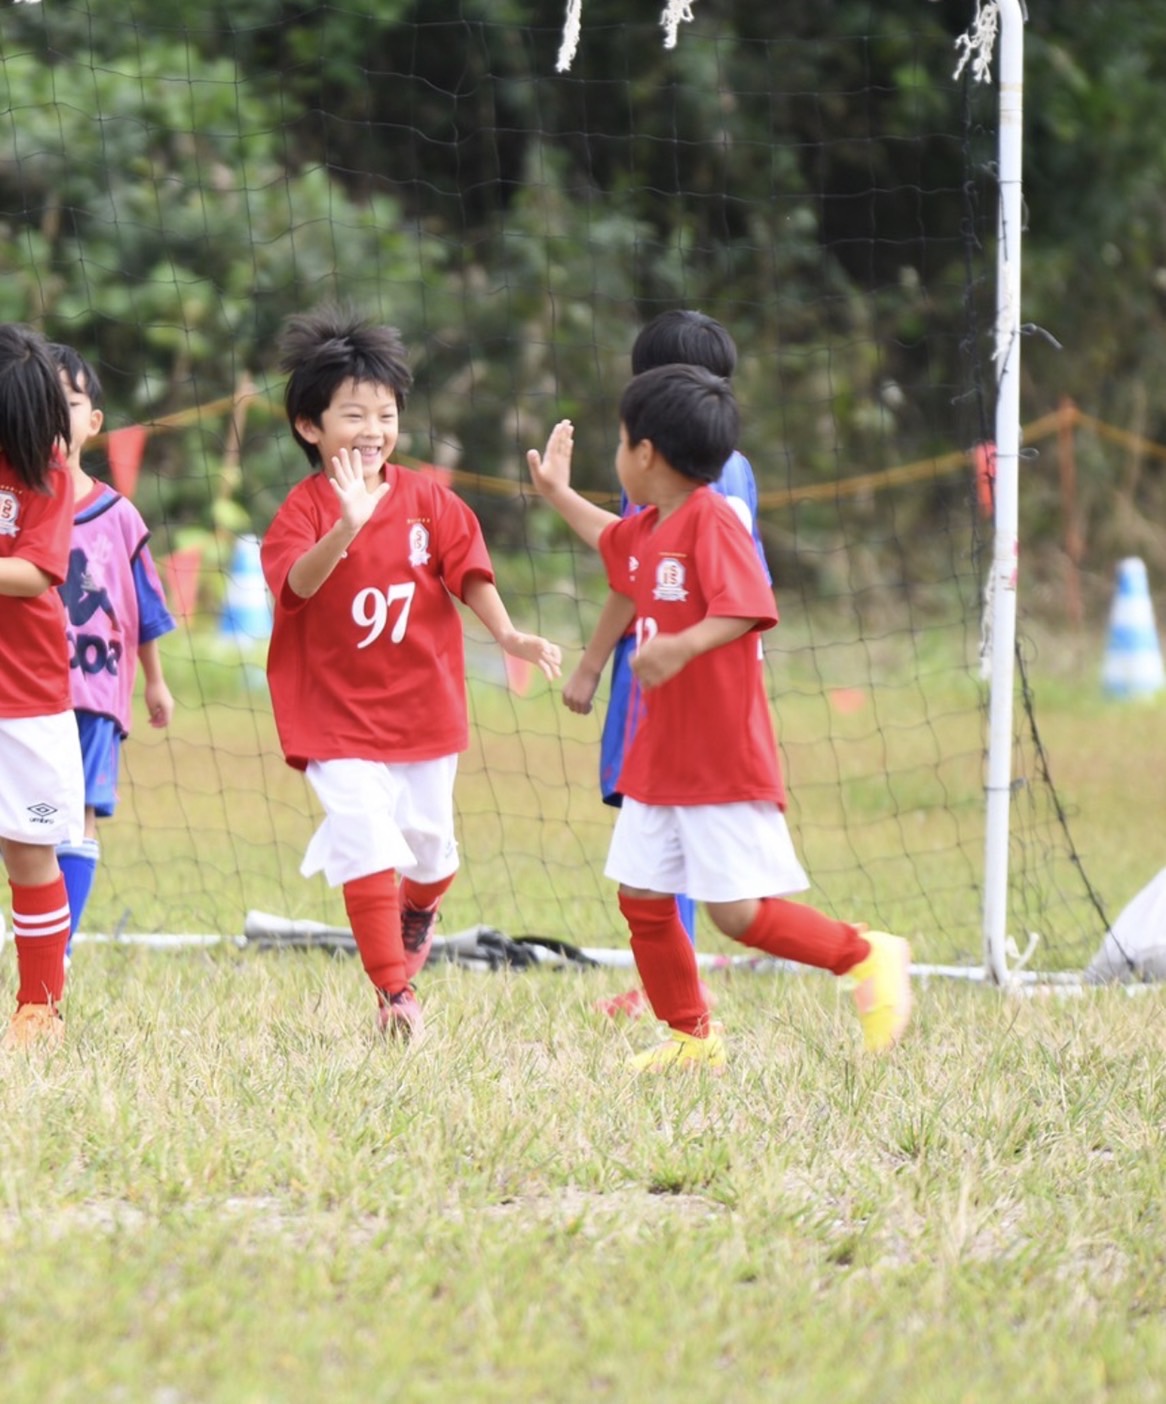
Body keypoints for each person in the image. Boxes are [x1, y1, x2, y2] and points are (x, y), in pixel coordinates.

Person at [536, 363, 911, 1070]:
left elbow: (749, 606)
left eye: (619, 442)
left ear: (644, 452)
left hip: (719, 761)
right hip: (660, 756)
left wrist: (681, 645)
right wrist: (557, 494)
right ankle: (691, 1037)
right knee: (642, 895)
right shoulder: (651, 525)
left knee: (736, 915)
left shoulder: (714, 520)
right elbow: (609, 538)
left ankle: (866, 954)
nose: (618, 457)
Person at [261, 306, 562, 1040]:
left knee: (429, 852)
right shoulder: (302, 512)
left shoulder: (430, 499)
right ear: (311, 427)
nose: (372, 429)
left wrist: (509, 633)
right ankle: (396, 994)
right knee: (366, 837)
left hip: (424, 716)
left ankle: (419, 910)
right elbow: (294, 587)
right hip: (335, 721)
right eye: (353, 414)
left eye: (386, 414)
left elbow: (469, 571)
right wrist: (348, 525)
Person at [527, 309, 768, 1018]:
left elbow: (635, 573)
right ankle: (673, 985)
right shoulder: (734, 467)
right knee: (663, 826)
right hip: (698, 667)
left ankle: (681, 985)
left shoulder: (673, 476)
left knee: (664, 824)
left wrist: (594, 662)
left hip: (668, 670)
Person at [49, 344, 176, 956]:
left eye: (68, 403)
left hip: (94, 695)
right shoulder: (10, 507)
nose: (52, 415)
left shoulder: (119, 516)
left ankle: (60, 948)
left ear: (93, 421)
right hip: (19, 696)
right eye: (37, 401)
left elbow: (143, 610)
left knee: (80, 814)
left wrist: (154, 681)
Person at [0, 324, 86, 1050]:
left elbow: (34, 573)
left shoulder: (45, 471)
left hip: (23, 702)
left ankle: (39, 1007)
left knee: (29, 852)